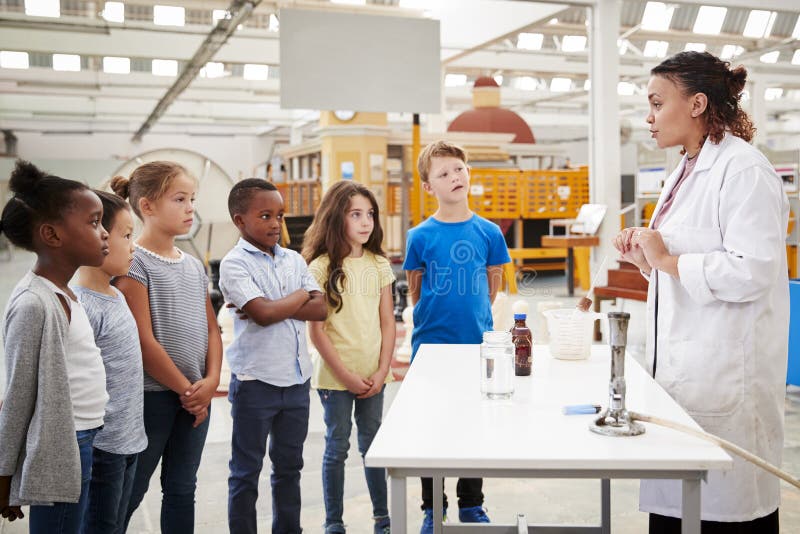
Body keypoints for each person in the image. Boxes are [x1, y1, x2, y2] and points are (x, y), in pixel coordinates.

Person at [614, 51, 788, 533]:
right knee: (677, 512)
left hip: (726, 381)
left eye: (656, 103)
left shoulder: (744, 171)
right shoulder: (684, 170)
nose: (648, 118)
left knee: (723, 514)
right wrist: (649, 262)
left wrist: (668, 260)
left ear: (696, 104)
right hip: (683, 380)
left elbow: (752, 270)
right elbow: (685, 274)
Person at [403, 141, 511, 532]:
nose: (455, 177)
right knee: (430, 429)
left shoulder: (488, 232)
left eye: (459, 168)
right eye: (443, 173)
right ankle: (433, 506)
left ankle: (471, 502)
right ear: (428, 186)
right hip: (430, 351)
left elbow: (492, 285)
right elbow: (417, 291)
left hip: (476, 348)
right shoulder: (420, 237)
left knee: (472, 426)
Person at [113, 161, 222, 533]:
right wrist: (188, 389)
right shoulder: (133, 263)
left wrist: (211, 381)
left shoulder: (193, 265)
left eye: (192, 199)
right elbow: (143, 341)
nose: (191, 207)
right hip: (154, 397)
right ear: (147, 206)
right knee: (131, 488)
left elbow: (212, 328)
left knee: (181, 488)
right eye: (180, 199)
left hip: (195, 397)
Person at [0, 161, 109, 533]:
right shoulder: (34, 303)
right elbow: (17, 394)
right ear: (52, 234)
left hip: (85, 434)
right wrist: (4, 473)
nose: (105, 233)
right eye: (94, 222)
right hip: (64, 442)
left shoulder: (65, 292)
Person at [220, 178, 327, 534]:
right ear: (239, 220)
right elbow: (264, 316)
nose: (274, 224)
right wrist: (298, 297)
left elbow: (322, 308)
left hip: (297, 382)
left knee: (289, 469)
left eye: (279, 216)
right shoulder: (234, 264)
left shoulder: (293, 259)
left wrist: (277, 304)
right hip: (256, 384)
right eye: (264, 215)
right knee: (245, 472)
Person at [303, 181, 396, 534]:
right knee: (336, 448)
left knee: (373, 446)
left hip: (374, 374)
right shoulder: (321, 267)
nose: (365, 221)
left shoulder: (379, 265)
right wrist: (345, 376)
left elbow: (387, 322)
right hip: (334, 378)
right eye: (355, 214)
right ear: (334, 217)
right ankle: (333, 523)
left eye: (369, 214)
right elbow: (317, 330)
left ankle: (382, 519)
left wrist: (383, 369)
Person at [73, 188, 147, 534]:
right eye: (127, 236)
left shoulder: (115, 293)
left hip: (129, 438)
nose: (134, 245)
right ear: (97, 237)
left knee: (116, 525)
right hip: (103, 447)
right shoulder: (84, 305)